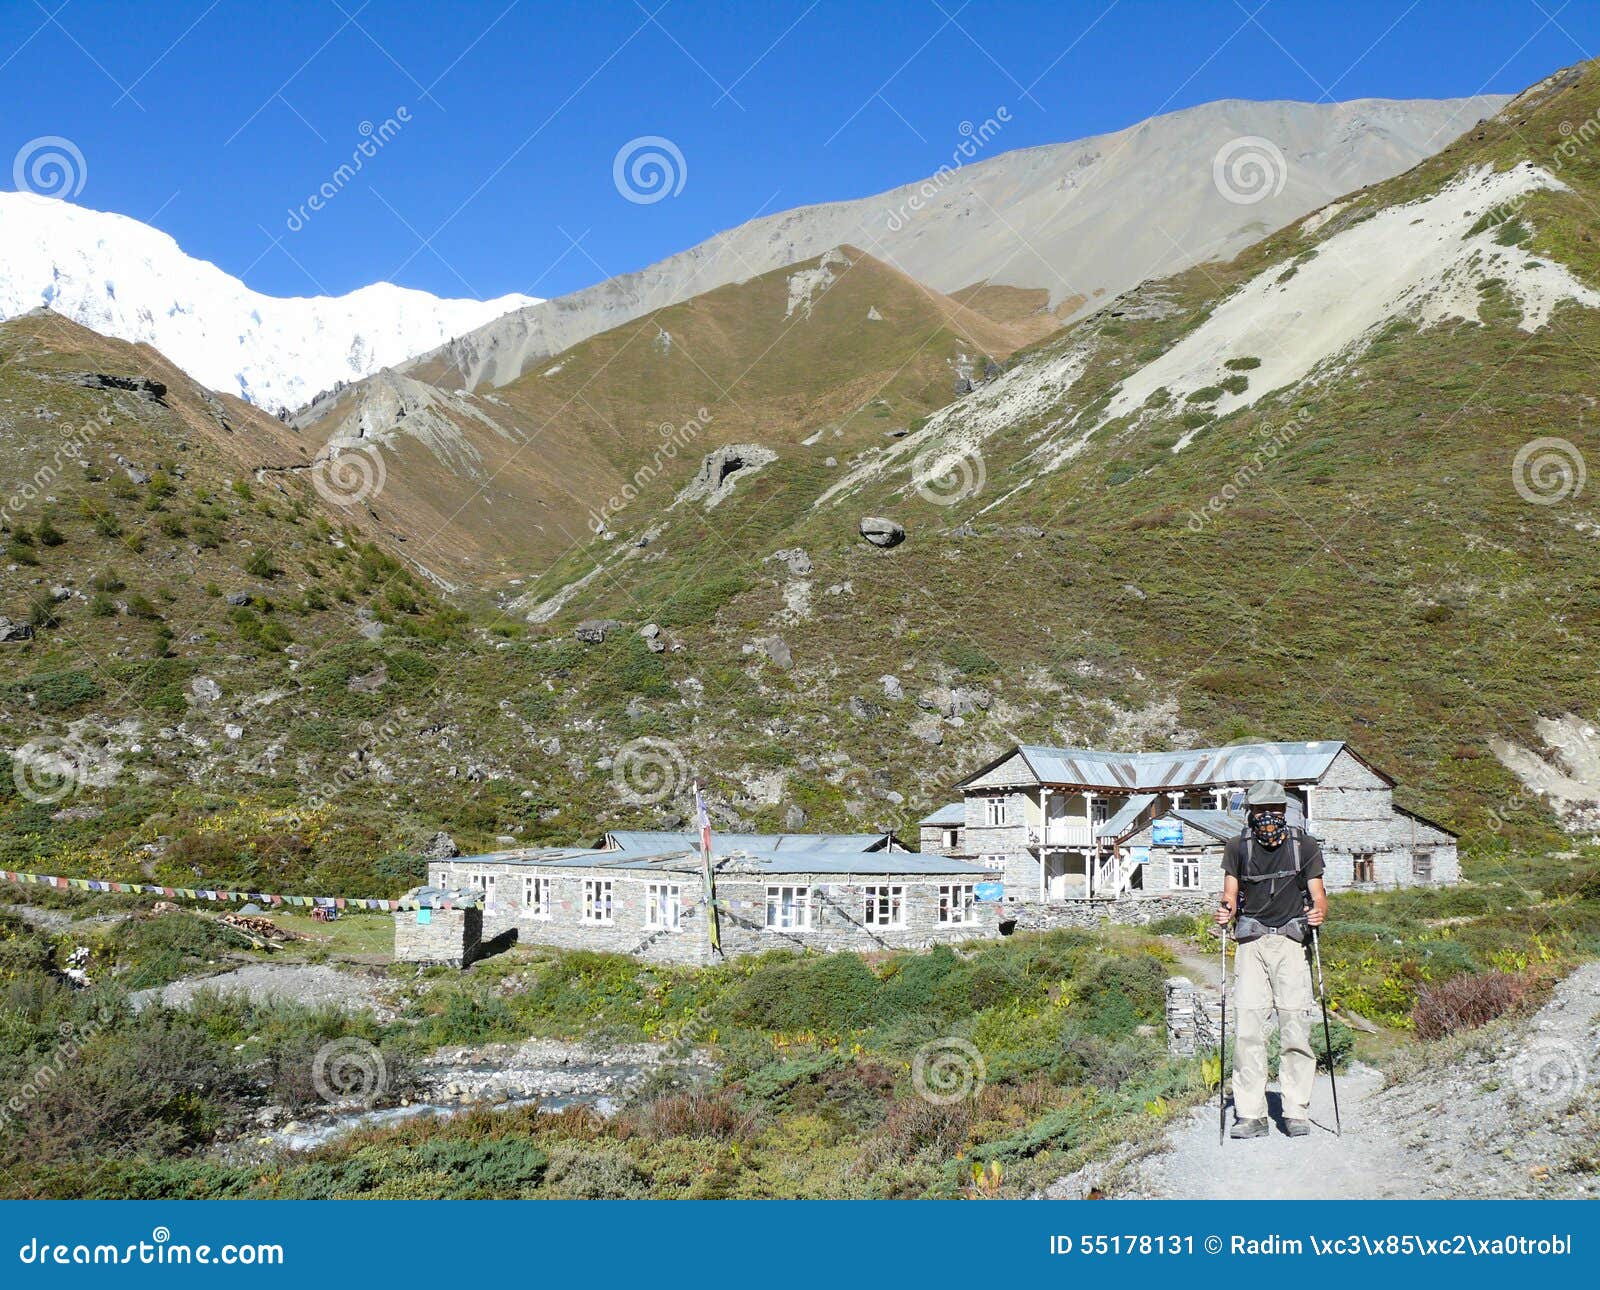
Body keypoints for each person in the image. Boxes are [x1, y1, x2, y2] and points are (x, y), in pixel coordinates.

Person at [1214, 779, 1327, 1138]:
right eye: (1260, 810)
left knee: (1295, 1025)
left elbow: (1319, 895)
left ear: (1285, 810)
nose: (1267, 817)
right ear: (1249, 813)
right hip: (1251, 942)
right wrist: (1225, 911)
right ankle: (1250, 1114)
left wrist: (1319, 913)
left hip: (1291, 944)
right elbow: (1230, 893)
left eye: (1274, 810)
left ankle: (1296, 1111)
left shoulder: (1305, 846)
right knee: (1248, 1027)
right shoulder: (1237, 847)